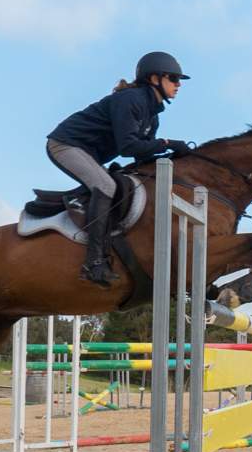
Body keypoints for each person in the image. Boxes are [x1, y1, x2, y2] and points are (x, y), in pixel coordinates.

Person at [47, 51, 193, 286]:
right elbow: (128, 147)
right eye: (173, 79)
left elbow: (141, 153)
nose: (178, 85)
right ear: (154, 78)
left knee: (120, 183)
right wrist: (166, 143)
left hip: (89, 153)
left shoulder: (152, 116)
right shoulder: (131, 99)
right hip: (66, 144)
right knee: (105, 185)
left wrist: (171, 155)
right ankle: (94, 262)